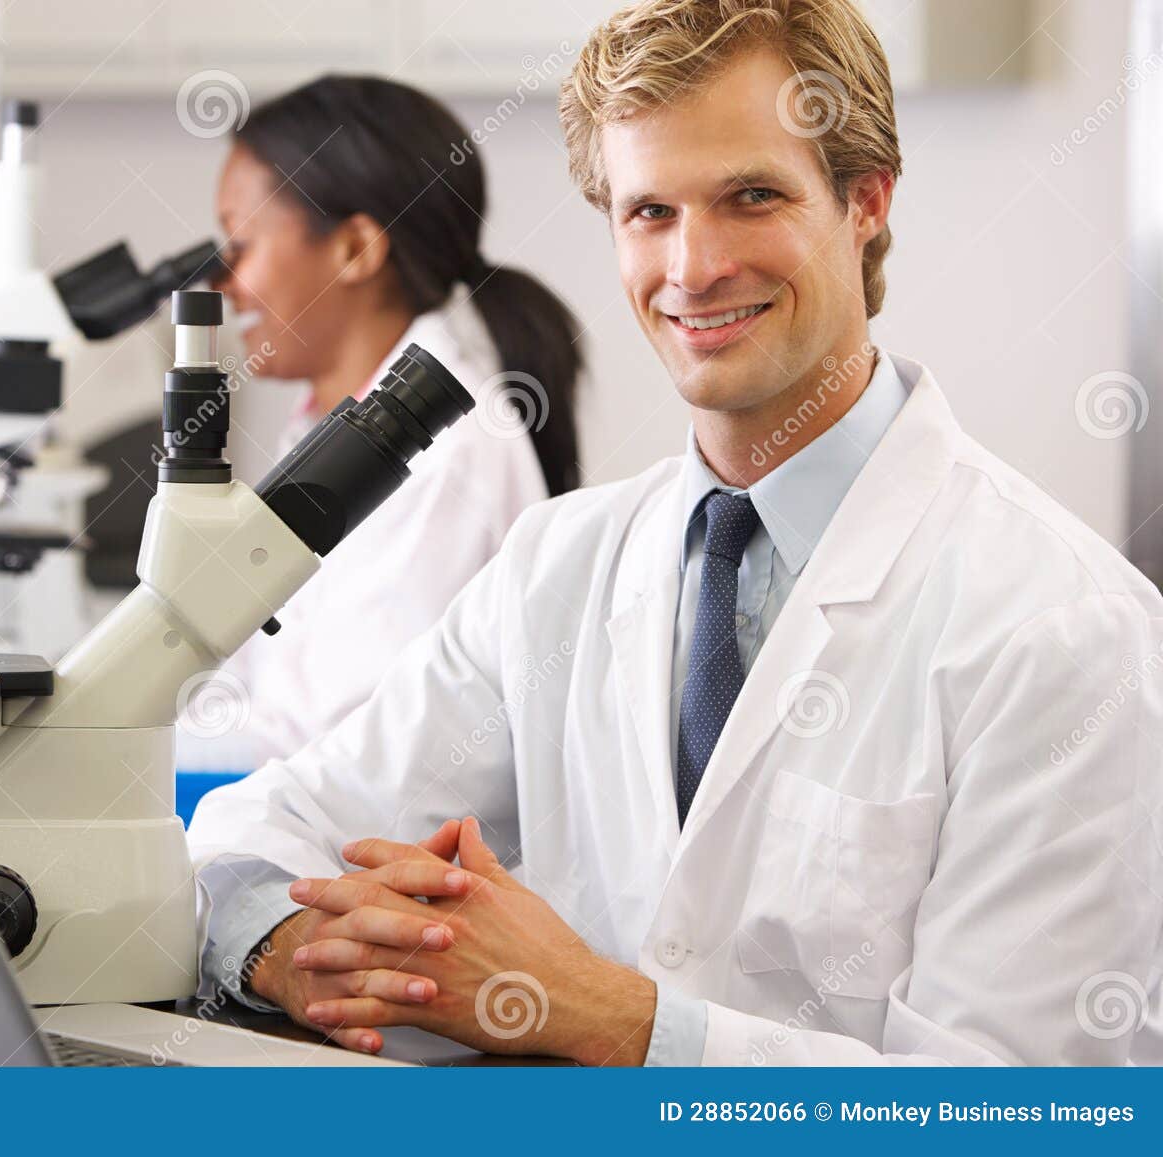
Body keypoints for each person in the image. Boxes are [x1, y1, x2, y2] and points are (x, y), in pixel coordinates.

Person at [187, 0, 1163, 1066]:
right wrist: (287, 953)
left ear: (865, 200)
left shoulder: (1063, 626)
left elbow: (1021, 1112)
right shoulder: (555, 568)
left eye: (751, 196)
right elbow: (252, 832)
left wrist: (609, 1015)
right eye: (649, 211)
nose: (693, 268)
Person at [174, 75, 582, 772]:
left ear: (357, 249)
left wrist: (69, 745)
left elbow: (340, 746)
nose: (223, 282)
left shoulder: (446, 454)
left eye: (240, 246)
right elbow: (246, 678)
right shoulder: (325, 426)